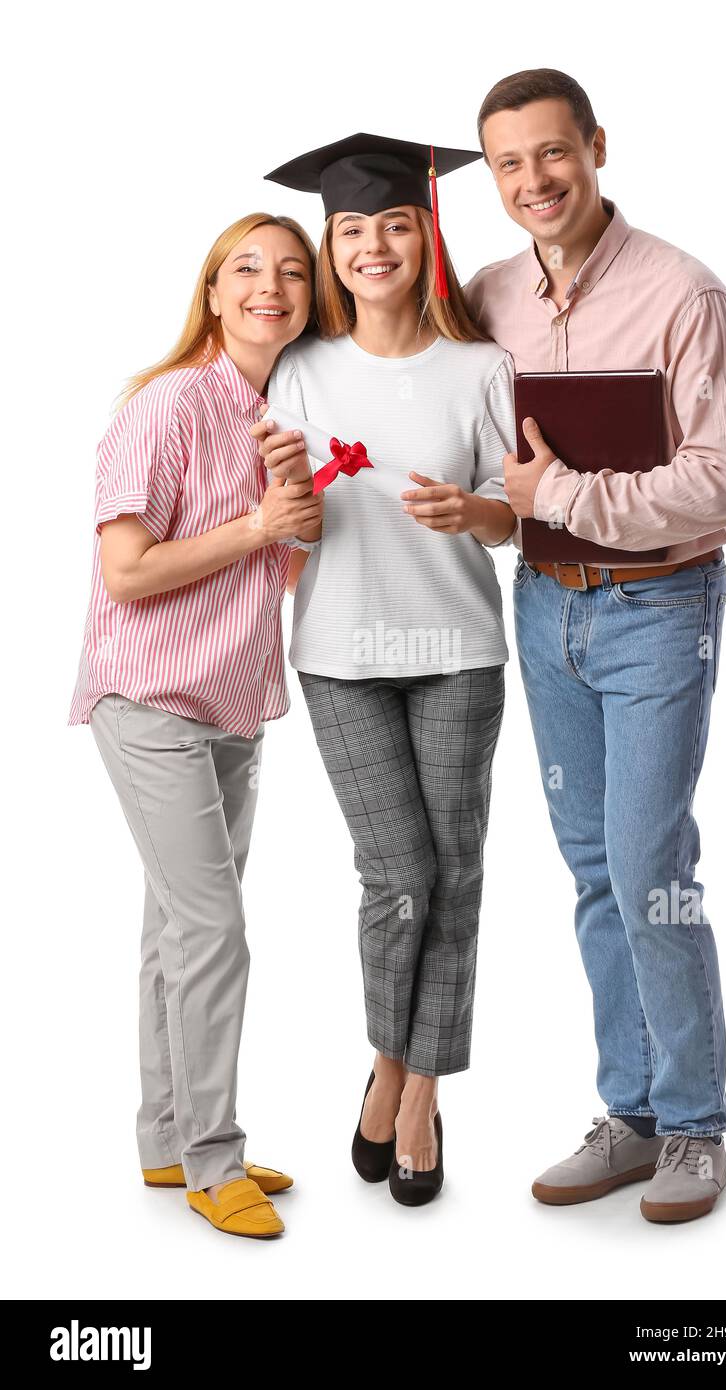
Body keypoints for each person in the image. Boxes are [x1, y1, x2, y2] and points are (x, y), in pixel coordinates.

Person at [466, 68, 726, 1223]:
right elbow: (474, 438)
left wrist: (568, 493)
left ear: (595, 144)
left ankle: (694, 1127)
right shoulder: (489, 296)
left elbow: (724, 479)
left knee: (651, 869)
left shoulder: (686, 293)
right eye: (507, 164)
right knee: (593, 869)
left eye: (551, 152)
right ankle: (630, 1113)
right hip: (544, 607)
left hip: (658, 609)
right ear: (491, 176)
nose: (534, 180)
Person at [256, 133, 516, 1205]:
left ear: (427, 236)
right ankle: (395, 1054)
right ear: (331, 246)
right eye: (353, 229)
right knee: (397, 876)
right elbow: (280, 532)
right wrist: (285, 500)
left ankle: (415, 1094)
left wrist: (476, 511)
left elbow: (517, 513)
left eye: (394, 225)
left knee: (454, 877)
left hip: (457, 651)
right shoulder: (296, 370)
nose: (374, 246)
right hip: (340, 656)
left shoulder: (481, 367)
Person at [68, 212, 324, 1239]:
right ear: (212, 293)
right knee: (216, 931)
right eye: (247, 269)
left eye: (293, 273)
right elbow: (125, 572)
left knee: (177, 927)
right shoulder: (167, 404)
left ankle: (168, 1140)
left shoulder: (281, 416)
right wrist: (260, 524)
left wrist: (290, 531)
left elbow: (275, 573)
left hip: (232, 704)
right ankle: (217, 1158)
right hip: (150, 701)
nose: (272, 286)